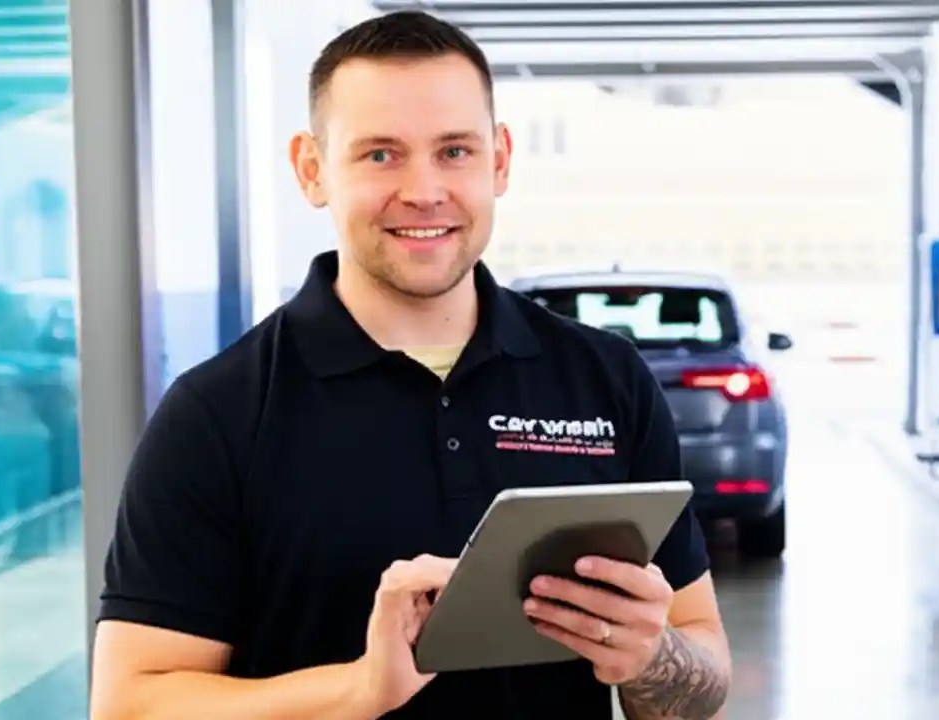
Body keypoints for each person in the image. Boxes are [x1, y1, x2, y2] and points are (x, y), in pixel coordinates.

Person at [88, 9, 731, 720]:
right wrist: (358, 690)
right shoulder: (219, 411)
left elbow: (700, 666)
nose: (424, 190)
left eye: (454, 151)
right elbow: (130, 705)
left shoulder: (605, 378)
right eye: (380, 154)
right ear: (312, 169)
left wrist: (650, 657)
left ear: (500, 161)